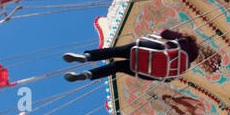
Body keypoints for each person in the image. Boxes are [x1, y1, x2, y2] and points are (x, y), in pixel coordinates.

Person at [63, 30, 200, 82]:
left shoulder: (184, 40)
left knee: (116, 51)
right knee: (117, 67)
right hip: (151, 71)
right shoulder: (185, 65)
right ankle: (88, 74)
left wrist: (162, 33)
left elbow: (164, 33)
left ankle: (87, 57)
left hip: (157, 51)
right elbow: (168, 80)